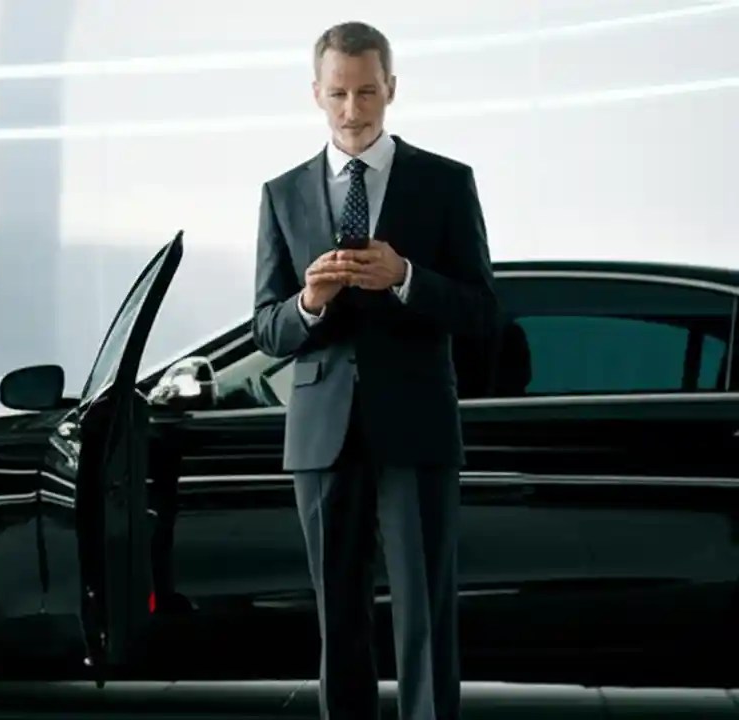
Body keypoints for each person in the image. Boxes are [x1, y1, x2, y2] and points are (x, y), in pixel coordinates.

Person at [250, 20, 498, 720]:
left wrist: (406, 276)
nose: (353, 111)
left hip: (415, 428)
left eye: (367, 92)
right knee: (339, 617)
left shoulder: (446, 183)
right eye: (338, 95)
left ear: (392, 87)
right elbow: (267, 327)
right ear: (315, 95)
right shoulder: (282, 193)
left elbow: (483, 310)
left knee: (424, 613)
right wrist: (309, 302)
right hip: (322, 434)